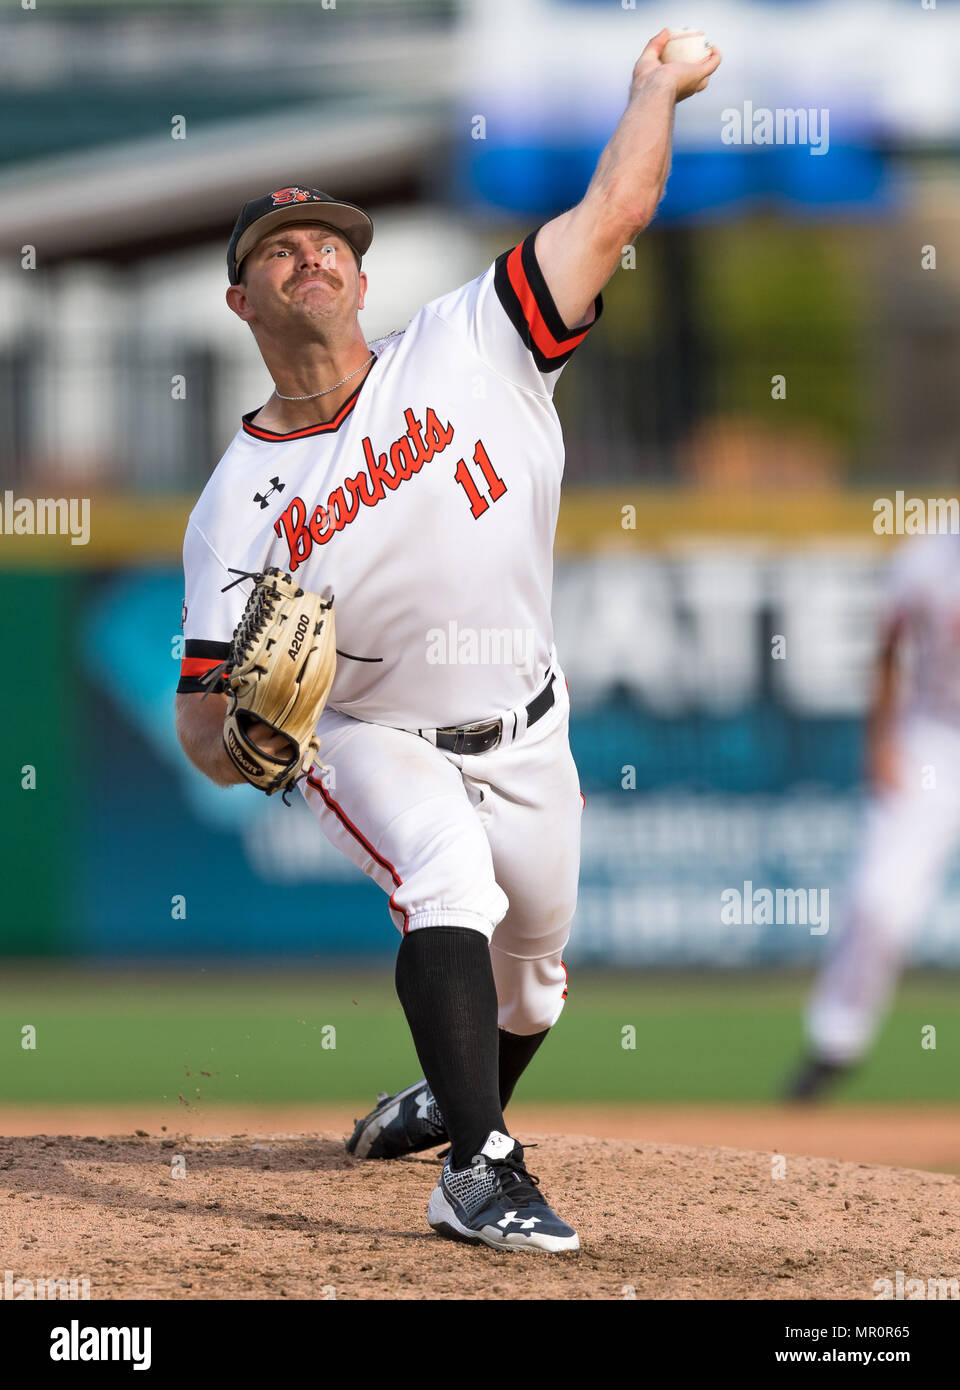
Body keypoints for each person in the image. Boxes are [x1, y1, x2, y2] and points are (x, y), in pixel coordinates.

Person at [175, 30, 722, 1252]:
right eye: (279, 248)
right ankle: (478, 1168)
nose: (312, 253)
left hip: (529, 720)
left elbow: (617, 206)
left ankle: (453, 1091)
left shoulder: (475, 338)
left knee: (535, 983)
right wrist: (244, 738)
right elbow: (202, 727)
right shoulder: (235, 505)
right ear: (241, 298)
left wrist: (653, 89)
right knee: (445, 877)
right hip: (372, 733)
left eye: (330, 242)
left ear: (363, 278)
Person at [786, 533, 960, 1100]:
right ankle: (835, 1043)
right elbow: (887, 651)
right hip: (931, 740)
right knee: (879, 901)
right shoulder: (926, 562)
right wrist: (881, 740)